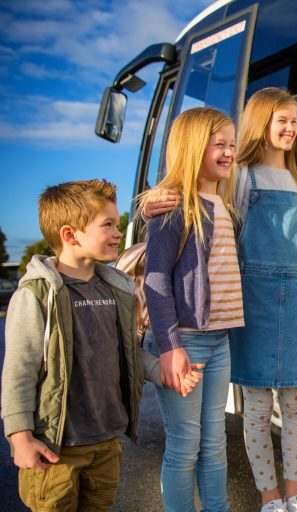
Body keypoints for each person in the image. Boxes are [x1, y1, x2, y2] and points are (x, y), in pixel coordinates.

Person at [144, 88, 297, 512]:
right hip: (249, 308)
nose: (290, 128)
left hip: (287, 300)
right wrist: (154, 200)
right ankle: (268, 497)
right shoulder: (240, 177)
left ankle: (294, 493)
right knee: (243, 417)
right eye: (281, 119)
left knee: (285, 410)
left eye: (294, 121)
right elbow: (188, 193)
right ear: (260, 122)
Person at [0, 179, 198, 511]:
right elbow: (19, 371)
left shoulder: (115, 288)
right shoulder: (36, 295)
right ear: (69, 235)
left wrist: (160, 371)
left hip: (107, 441)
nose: (118, 232)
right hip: (57, 448)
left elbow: (128, 352)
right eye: (107, 225)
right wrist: (19, 436)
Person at [141, 107, 243, 512]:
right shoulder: (173, 206)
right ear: (192, 147)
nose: (229, 152)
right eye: (219, 144)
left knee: (215, 443)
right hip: (184, 342)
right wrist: (169, 346)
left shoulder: (224, 203)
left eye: (232, 145)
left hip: (219, 342)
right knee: (185, 446)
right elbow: (156, 280)